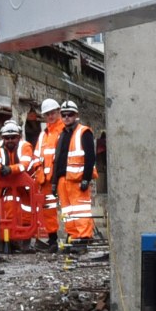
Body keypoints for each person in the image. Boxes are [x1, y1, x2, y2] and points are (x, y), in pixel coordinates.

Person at [0, 118, 43, 254]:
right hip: (8, 185)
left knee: (27, 212)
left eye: (13, 137)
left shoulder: (25, 146)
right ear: (3, 138)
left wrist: (10, 170)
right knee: (7, 209)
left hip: (27, 186)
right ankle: (10, 240)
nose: (10, 140)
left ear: (19, 137)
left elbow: (24, 164)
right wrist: (0, 169)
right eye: (7, 138)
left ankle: (26, 241)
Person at [55, 100, 98, 247]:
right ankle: (73, 238)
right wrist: (55, 182)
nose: (66, 117)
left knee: (81, 210)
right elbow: (58, 159)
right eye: (64, 115)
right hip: (63, 179)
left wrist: (86, 178)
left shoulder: (83, 132)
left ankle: (84, 238)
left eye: (70, 114)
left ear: (76, 115)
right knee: (67, 212)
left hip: (78, 180)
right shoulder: (62, 134)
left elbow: (90, 157)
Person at [30, 96, 64, 248]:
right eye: (47, 114)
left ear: (58, 112)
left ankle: (74, 238)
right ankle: (53, 239)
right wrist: (38, 171)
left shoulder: (63, 130)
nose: (50, 116)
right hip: (45, 180)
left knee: (68, 209)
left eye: (53, 113)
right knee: (48, 210)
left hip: (61, 176)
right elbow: (36, 156)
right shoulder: (43, 135)